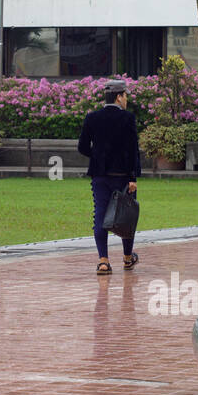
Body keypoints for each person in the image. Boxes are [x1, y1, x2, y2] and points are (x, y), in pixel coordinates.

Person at [77, 80, 141, 275]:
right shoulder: (127, 118)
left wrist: (98, 157)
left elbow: (82, 147)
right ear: (118, 97)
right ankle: (127, 258)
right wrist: (133, 178)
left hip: (100, 176)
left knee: (100, 215)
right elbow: (132, 151)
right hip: (123, 176)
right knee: (126, 216)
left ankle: (103, 261)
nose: (127, 100)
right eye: (126, 96)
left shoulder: (92, 118)